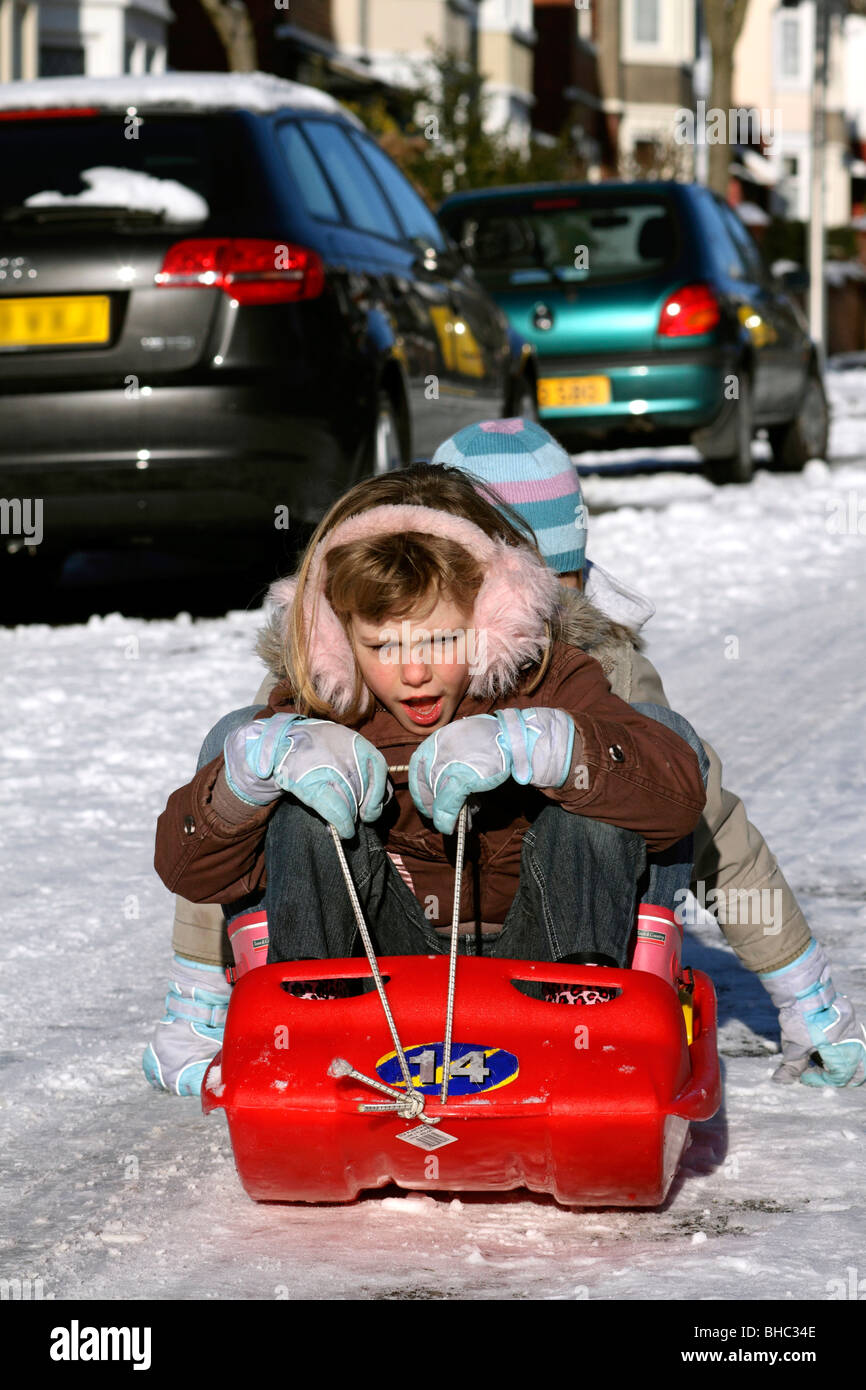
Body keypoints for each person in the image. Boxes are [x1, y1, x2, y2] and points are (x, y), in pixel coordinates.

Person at [149, 462, 707, 1091]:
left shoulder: (549, 680)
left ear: (493, 619)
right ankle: (303, 1018)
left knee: (608, 783)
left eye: (441, 640)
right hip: (382, 971)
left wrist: (548, 747)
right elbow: (190, 869)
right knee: (266, 770)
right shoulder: (320, 704)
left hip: (543, 962)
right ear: (337, 640)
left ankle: (596, 1030)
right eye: (384, 647)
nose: (414, 673)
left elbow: (680, 795)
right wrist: (248, 783)